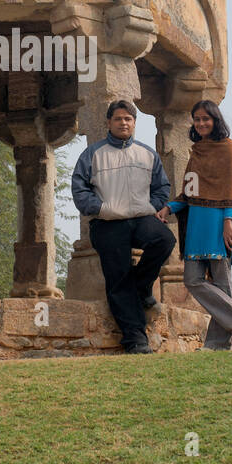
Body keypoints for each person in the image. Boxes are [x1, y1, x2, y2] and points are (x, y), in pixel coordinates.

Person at [71, 100, 177, 354]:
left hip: (141, 218)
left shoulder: (147, 153)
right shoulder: (93, 154)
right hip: (107, 222)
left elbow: (162, 187)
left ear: (134, 123)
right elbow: (79, 188)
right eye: (118, 119)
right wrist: (100, 209)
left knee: (164, 240)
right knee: (118, 279)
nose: (123, 123)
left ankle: (140, 287)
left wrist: (151, 206)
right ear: (109, 123)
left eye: (128, 119)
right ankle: (135, 339)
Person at [154, 100, 232, 350]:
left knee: (221, 284)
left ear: (216, 120)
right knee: (192, 279)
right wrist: (169, 207)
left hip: (219, 224)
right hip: (196, 225)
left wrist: (228, 221)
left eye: (206, 119)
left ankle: (216, 344)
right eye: (197, 119)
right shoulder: (197, 151)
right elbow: (189, 193)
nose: (201, 123)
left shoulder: (229, 149)